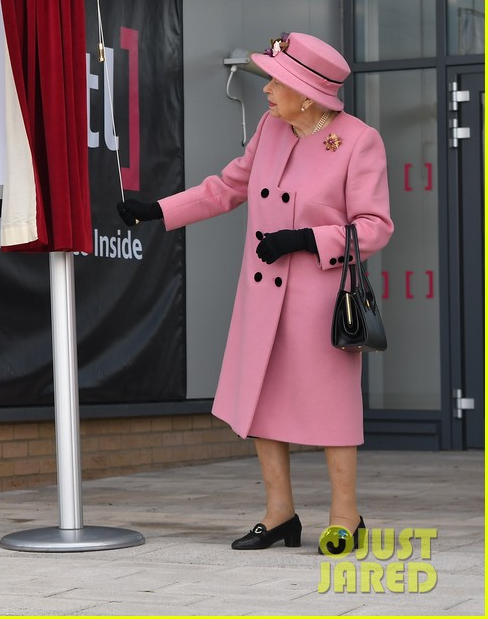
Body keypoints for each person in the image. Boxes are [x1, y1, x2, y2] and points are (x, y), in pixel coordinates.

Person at [117, 31, 392, 553]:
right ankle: (279, 513)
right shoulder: (270, 128)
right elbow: (226, 187)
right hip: (265, 296)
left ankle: (345, 516)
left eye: (273, 80)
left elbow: (375, 226)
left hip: (320, 299)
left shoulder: (358, 140)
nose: (265, 90)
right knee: (262, 402)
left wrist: (307, 239)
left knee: (331, 409)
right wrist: (158, 209)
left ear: (306, 91)